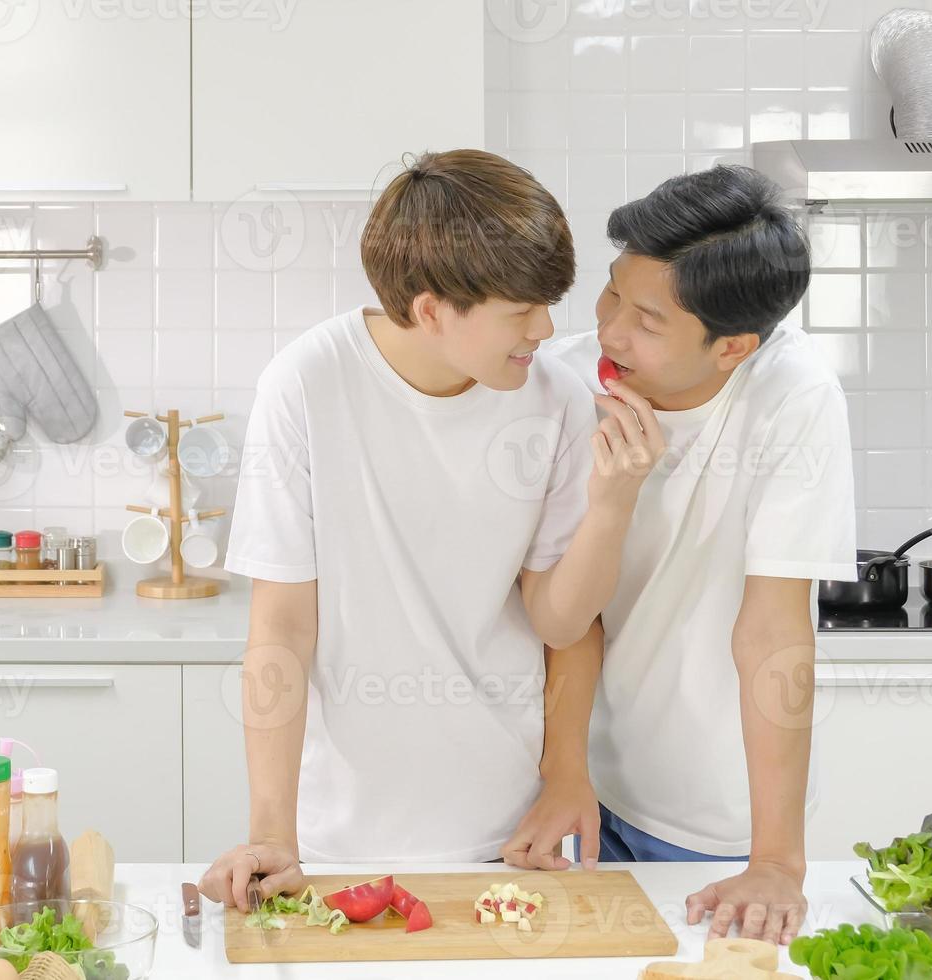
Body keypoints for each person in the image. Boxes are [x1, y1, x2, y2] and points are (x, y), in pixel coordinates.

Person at [197, 149, 665, 909]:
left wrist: (567, 773)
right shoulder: (308, 383)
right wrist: (270, 834)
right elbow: (280, 631)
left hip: (509, 835)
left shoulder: (556, 403)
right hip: (333, 836)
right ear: (430, 309)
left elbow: (563, 623)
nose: (547, 329)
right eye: (521, 312)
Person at [505, 164, 857, 945]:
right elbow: (566, 617)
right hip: (567, 792)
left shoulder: (792, 398)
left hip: (715, 815)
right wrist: (565, 771)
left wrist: (777, 861)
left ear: (731, 347)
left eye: (648, 322)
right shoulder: (560, 380)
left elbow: (773, 631)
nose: (609, 332)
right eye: (611, 296)